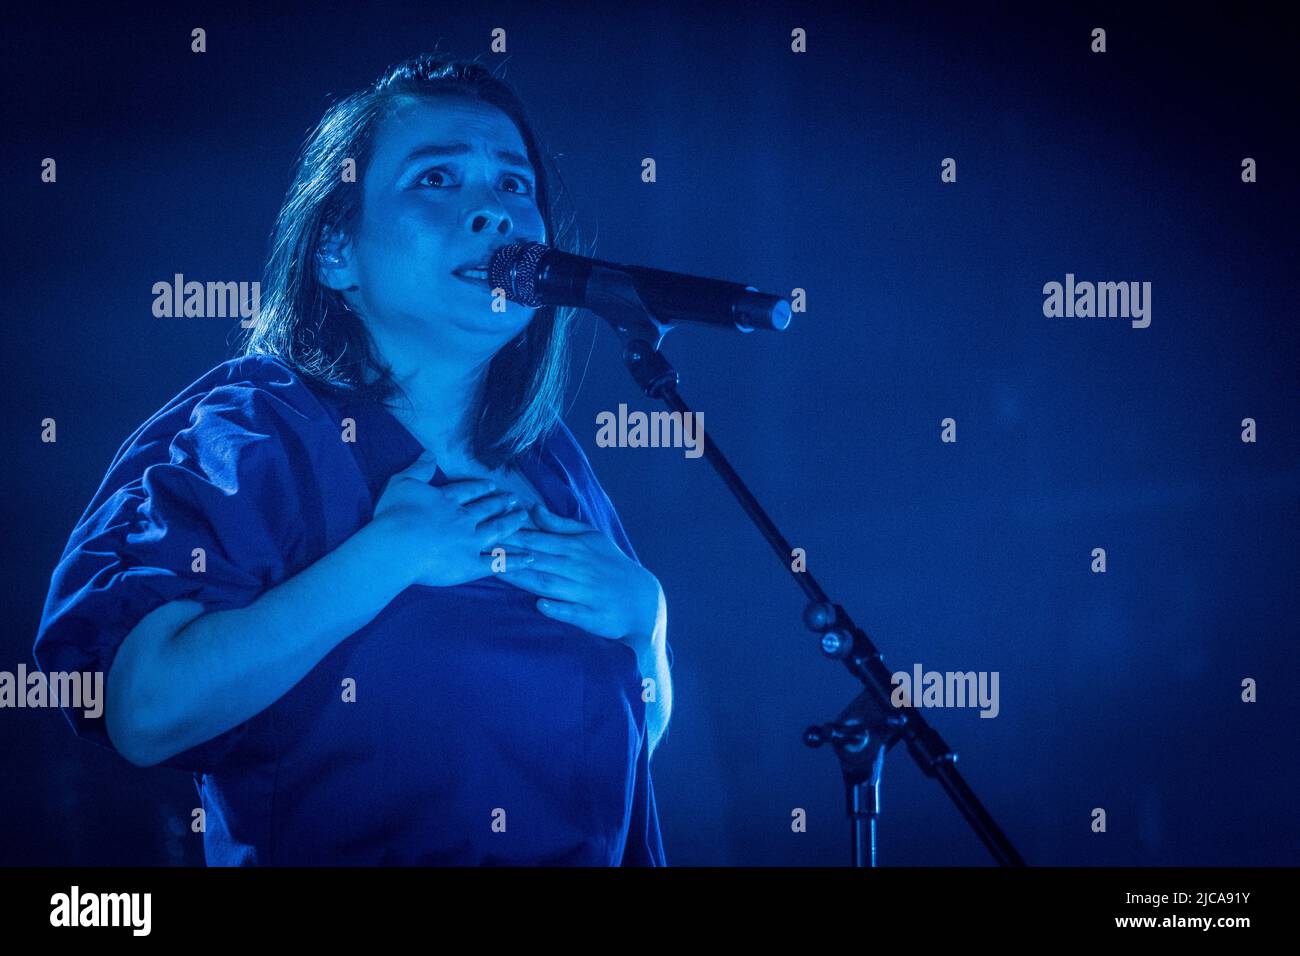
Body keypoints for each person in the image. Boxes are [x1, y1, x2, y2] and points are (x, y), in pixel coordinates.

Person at [33, 55, 673, 866]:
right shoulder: (255, 431)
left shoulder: (548, 458)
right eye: (438, 179)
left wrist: (648, 629)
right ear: (336, 247)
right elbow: (143, 712)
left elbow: (624, 750)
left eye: (515, 185)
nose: (495, 213)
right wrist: (391, 554)